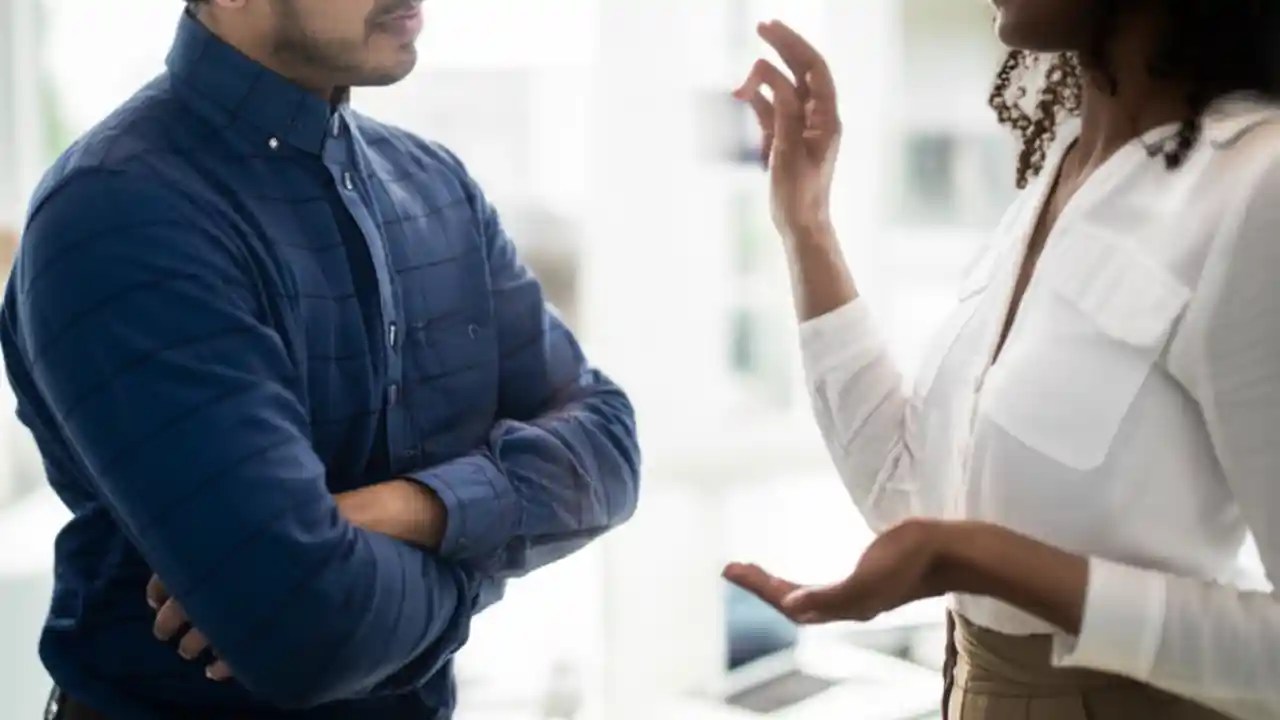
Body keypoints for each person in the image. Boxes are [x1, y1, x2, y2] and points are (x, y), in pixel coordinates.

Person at [0, 0, 640, 718]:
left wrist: (415, 510)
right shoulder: (119, 210)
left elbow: (610, 448)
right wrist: (485, 555)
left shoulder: (436, 186)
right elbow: (309, 631)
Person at [723, 3, 1280, 719]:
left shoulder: (1254, 189)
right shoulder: (1066, 167)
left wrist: (981, 559)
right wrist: (806, 225)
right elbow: (914, 504)